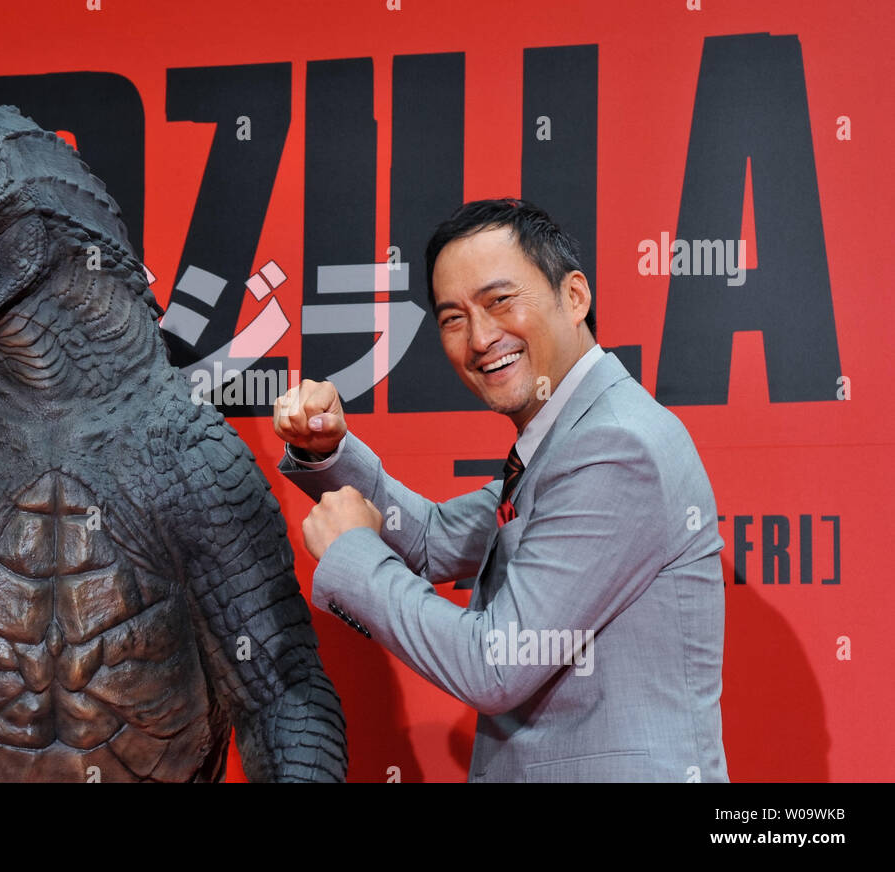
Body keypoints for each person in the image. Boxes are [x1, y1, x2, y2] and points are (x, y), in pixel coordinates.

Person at [273, 198, 729, 782]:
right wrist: (327, 449)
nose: (481, 337)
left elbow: (495, 665)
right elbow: (436, 539)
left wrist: (354, 557)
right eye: (453, 318)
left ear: (574, 296)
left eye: (499, 301)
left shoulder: (615, 447)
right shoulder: (572, 435)